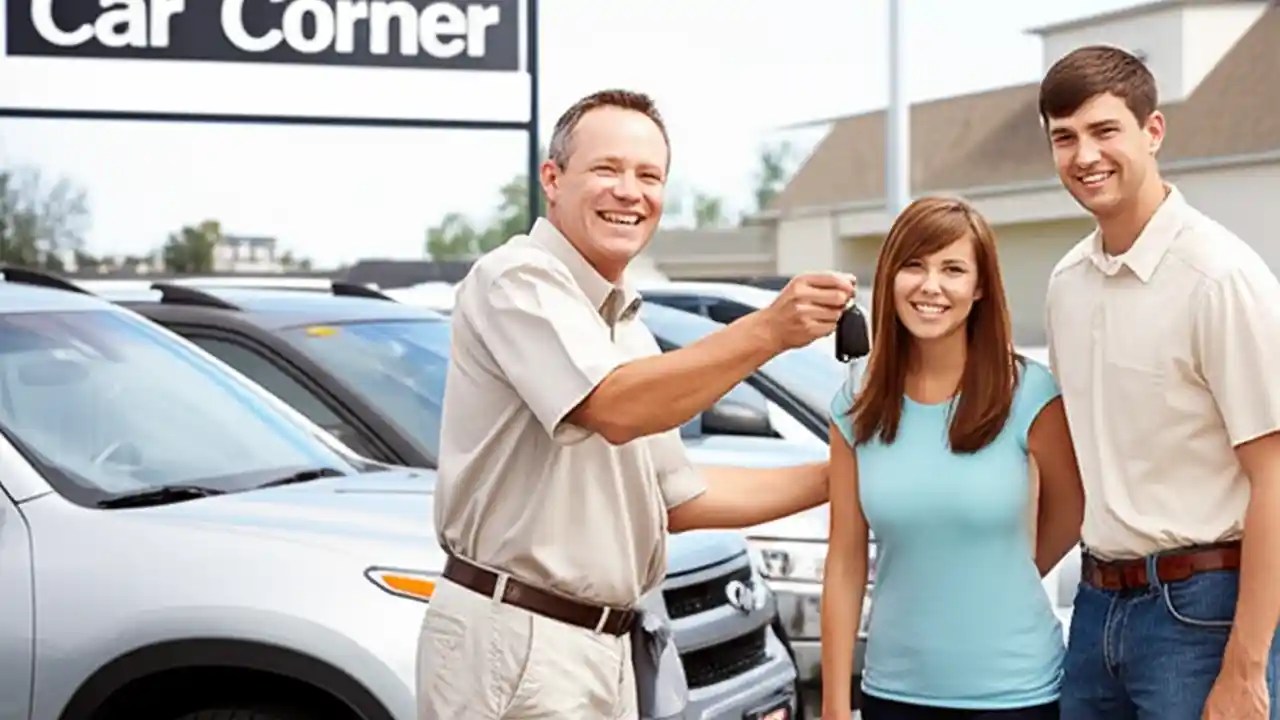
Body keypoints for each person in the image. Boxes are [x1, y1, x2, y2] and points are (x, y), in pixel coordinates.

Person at [416, 88, 856, 720]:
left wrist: (844, 473)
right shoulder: (515, 278)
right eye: (607, 169)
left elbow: (682, 498)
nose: (630, 192)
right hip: (518, 637)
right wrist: (770, 330)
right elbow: (612, 408)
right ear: (553, 178)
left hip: (608, 646)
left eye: (649, 176)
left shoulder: (626, 325)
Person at [1039, 45, 1280, 719]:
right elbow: (1082, 471)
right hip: (1094, 609)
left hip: (1203, 616)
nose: (1084, 155)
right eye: (1065, 138)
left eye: (1103, 130)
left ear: (1152, 131)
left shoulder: (1221, 278)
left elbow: (1276, 478)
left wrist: (1246, 667)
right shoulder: (1066, 285)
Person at [820, 196, 1086, 720]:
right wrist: (832, 705)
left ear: (980, 286)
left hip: (1018, 695)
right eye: (913, 266)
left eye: (953, 269)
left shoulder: (1028, 393)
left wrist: (999, 577)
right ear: (890, 276)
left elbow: (1071, 513)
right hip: (893, 693)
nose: (930, 286)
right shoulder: (856, 398)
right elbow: (845, 561)